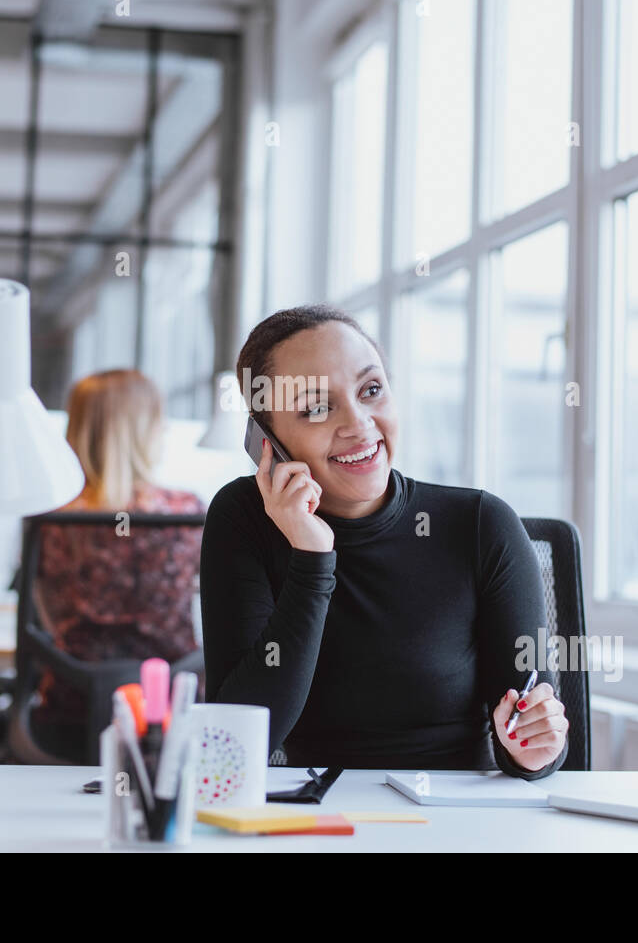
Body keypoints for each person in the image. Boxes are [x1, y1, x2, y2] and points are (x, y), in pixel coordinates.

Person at [199, 305, 569, 776]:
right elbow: (236, 746)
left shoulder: (482, 524)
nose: (359, 423)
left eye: (371, 390)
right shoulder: (244, 519)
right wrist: (312, 558)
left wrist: (532, 749)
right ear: (268, 441)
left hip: (453, 822)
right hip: (305, 821)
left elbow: (532, 729)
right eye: (316, 406)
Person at [28, 370, 206, 755]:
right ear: (147, 431)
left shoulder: (49, 515)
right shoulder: (186, 511)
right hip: (168, 711)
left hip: (71, 709)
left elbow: (43, 613)